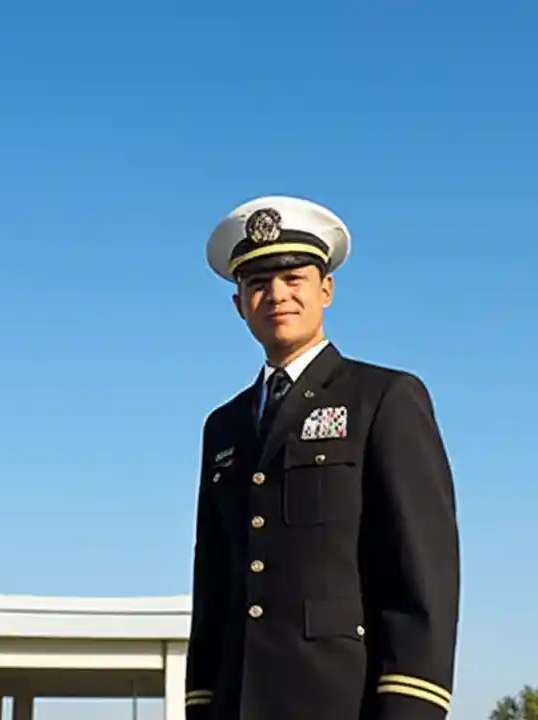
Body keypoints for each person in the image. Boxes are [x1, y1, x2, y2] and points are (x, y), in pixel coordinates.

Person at [184, 195, 460, 720]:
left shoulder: (383, 398)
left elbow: (421, 570)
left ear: (326, 289)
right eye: (258, 283)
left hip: (340, 700)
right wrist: (201, 701)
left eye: (294, 279)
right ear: (239, 304)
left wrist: (409, 706)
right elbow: (213, 584)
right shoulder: (224, 426)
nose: (277, 295)